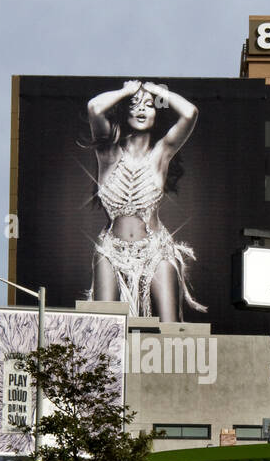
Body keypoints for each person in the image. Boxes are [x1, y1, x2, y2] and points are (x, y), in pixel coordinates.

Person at [86, 80, 204, 321]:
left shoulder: (162, 154)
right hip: (111, 249)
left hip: (155, 250)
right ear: (123, 111)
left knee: (169, 329)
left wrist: (160, 92)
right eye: (134, 104)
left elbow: (190, 112)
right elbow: (94, 107)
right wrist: (126, 91)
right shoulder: (108, 153)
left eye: (148, 105)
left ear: (156, 114)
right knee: (103, 326)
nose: (141, 108)